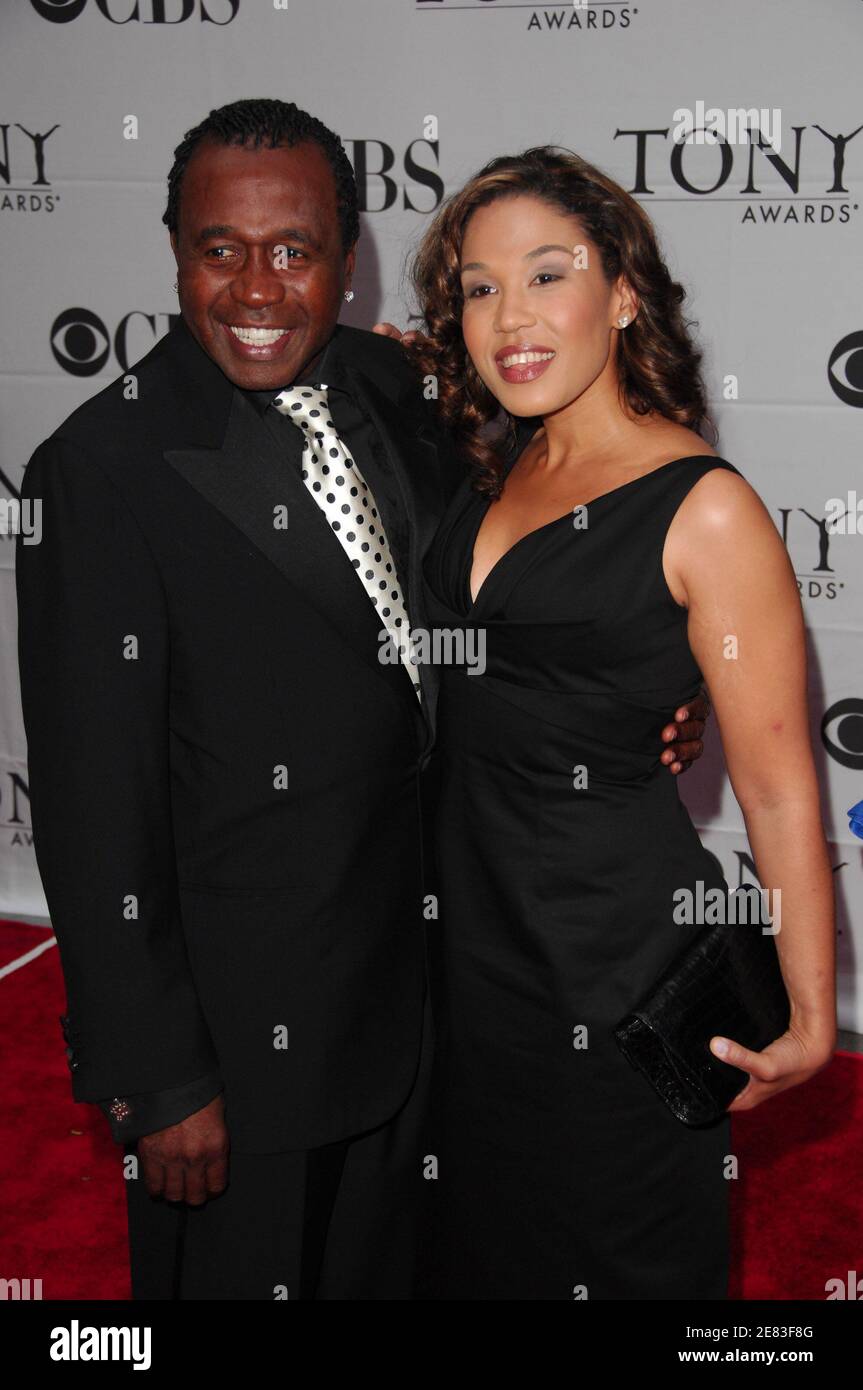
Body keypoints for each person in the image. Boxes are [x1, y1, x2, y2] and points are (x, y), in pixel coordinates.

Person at [15, 105, 710, 1301]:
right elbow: (90, 802)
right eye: (217, 246)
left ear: (347, 258)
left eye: (293, 249)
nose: (256, 286)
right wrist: (157, 1076)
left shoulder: (396, 384)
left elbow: (517, 579)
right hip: (243, 1044)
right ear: (174, 248)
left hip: (435, 992)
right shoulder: (100, 470)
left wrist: (646, 682)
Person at [398, 147, 836, 1300]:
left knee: (615, 1251)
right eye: (478, 287)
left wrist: (806, 1004)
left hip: (607, 960)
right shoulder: (493, 464)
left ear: (623, 291)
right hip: (462, 956)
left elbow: (782, 782)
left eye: (548, 275)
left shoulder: (704, 509)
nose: (509, 316)